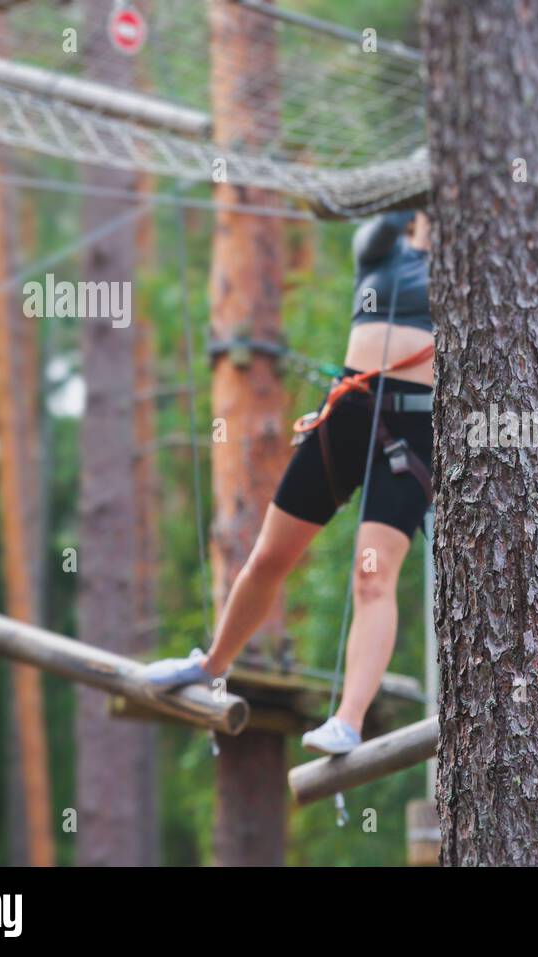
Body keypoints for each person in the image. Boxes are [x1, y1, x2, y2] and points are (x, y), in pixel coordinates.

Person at [140, 210, 434, 755]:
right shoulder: (383, 244)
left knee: (373, 578)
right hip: (348, 413)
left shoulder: (481, 267)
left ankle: (347, 720)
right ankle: (211, 664)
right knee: (269, 556)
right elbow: (384, 212)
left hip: (415, 432)